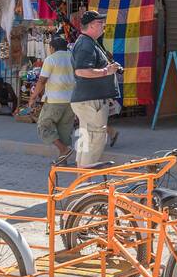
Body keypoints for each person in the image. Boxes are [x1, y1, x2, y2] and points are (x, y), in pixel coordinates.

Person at [70, 10, 122, 167]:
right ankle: (85, 182)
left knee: (86, 140)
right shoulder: (86, 44)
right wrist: (108, 71)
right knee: (94, 141)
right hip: (91, 101)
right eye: (101, 23)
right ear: (92, 25)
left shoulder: (88, 42)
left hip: (89, 100)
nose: (103, 26)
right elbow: (81, 71)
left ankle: (82, 180)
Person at [30, 35, 76, 159]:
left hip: (55, 100)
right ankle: (63, 160)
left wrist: (33, 97)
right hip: (71, 99)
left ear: (52, 47)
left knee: (43, 126)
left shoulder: (51, 59)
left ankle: (64, 149)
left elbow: (41, 81)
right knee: (65, 131)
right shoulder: (73, 57)